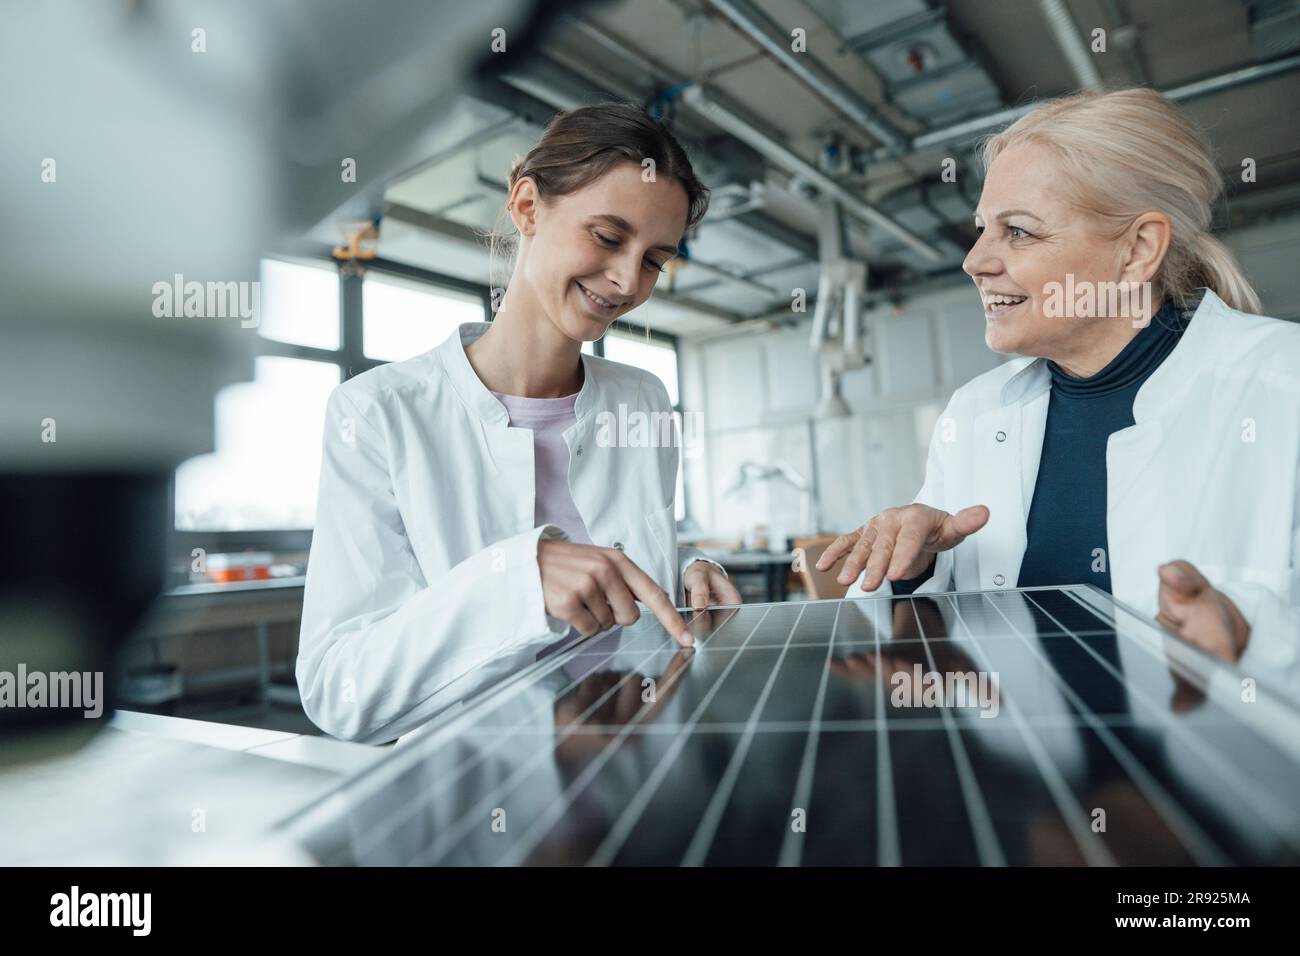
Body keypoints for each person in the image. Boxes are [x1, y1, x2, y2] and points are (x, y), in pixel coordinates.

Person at [817, 88, 1300, 680]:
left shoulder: (1282, 382)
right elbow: (917, 639)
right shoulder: (975, 413)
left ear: (1138, 249)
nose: (974, 261)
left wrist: (1254, 632)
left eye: (1018, 232)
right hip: (1019, 769)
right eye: (982, 229)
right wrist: (912, 568)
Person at [298, 103, 740, 744]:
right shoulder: (378, 413)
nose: (625, 281)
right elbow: (340, 691)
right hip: (481, 797)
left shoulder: (644, 400)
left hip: (640, 759)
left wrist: (686, 571)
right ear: (528, 206)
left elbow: (625, 567)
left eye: (653, 261)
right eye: (609, 237)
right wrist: (516, 582)